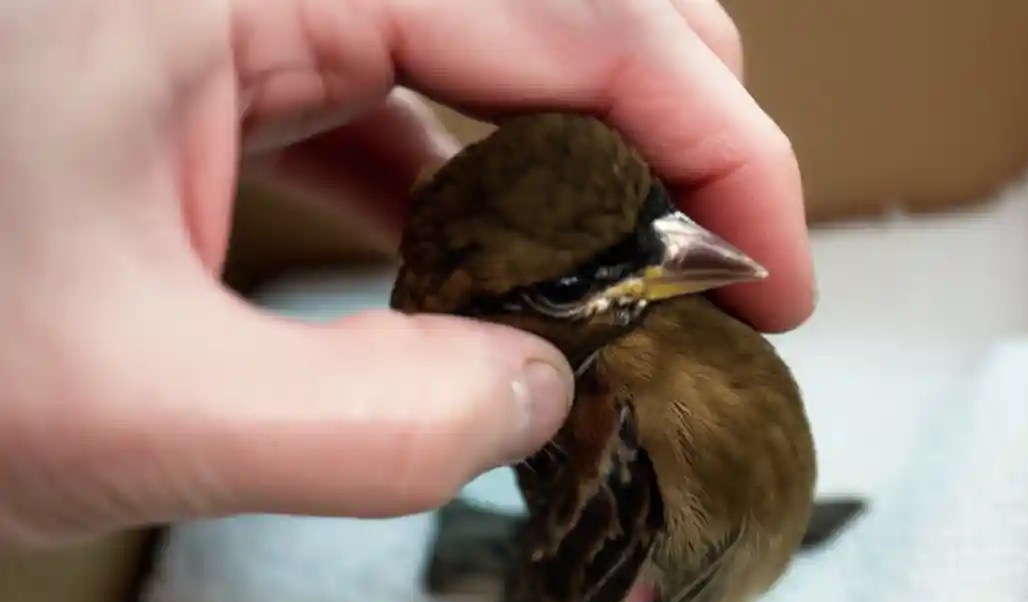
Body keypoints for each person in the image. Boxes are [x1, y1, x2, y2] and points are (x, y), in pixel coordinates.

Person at [0, 0, 814, 547]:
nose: (689, 249)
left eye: (657, 203)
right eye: (568, 288)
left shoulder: (669, 321)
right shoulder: (576, 408)